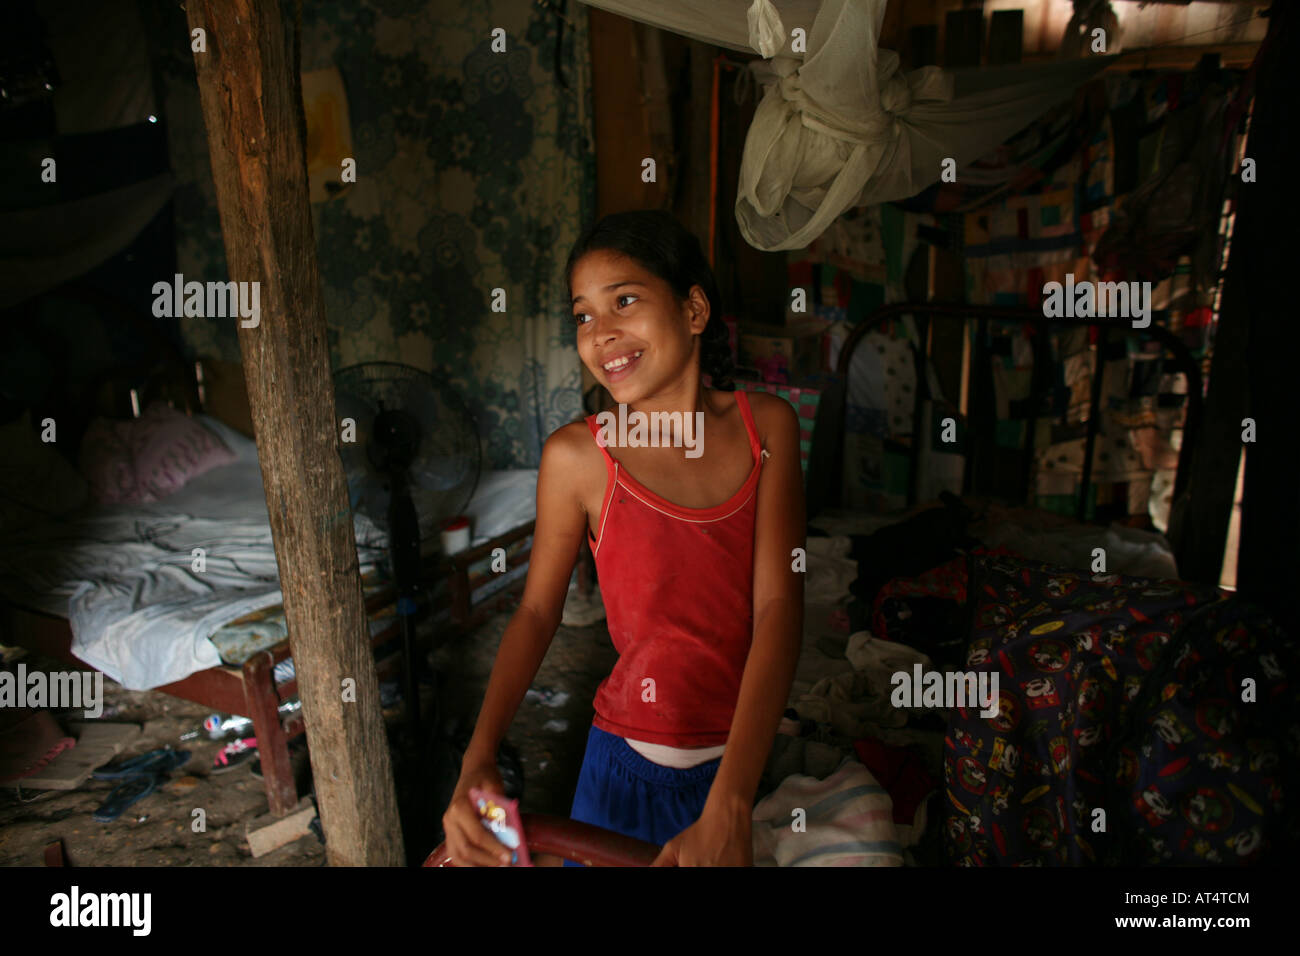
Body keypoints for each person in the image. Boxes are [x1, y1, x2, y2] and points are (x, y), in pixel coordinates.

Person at [440, 209, 805, 866]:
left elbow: (779, 607)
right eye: (582, 316)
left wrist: (732, 800)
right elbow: (535, 611)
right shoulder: (579, 458)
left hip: (744, 767)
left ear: (694, 310)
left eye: (624, 301)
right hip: (625, 773)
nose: (600, 333)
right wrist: (480, 755)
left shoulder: (768, 431)